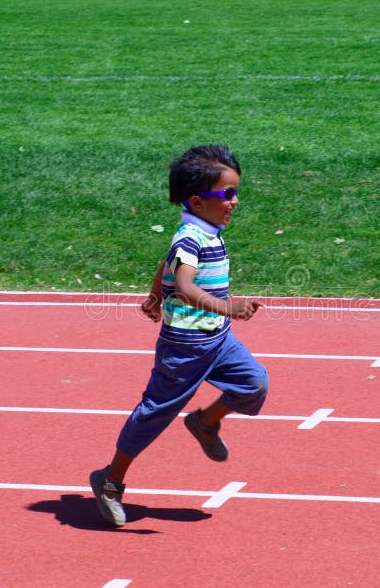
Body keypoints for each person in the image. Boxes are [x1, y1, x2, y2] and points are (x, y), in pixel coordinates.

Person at [90, 144, 269, 527]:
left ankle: (204, 422)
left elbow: (166, 267)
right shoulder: (190, 238)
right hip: (184, 349)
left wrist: (155, 296)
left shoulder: (208, 231)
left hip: (218, 341)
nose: (235, 202)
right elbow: (186, 287)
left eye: (237, 192)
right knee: (154, 415)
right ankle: (110, 480)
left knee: (254, 383)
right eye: (228, 194)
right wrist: (230, 308)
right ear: (196, 201)